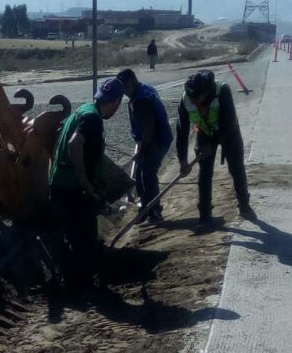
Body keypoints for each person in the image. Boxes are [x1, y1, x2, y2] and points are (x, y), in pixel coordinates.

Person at [49, 76, 125, 289]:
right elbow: (75, 144)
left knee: (72, 236)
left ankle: (68, 282)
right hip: (72, 188)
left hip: (60, 185)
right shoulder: (92, 119)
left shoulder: (84, 110)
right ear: (116, 102)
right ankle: (82, 287)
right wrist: (84, 180)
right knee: (85, 239)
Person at [175, 69, 257, 225]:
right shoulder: (186, 100)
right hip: (204, 131)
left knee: (236, 169)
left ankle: (244, 205)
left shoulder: (222, 91)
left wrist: (212, 144)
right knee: (205, 173)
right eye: (191, 98)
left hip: (228, 131)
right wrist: (182, 160)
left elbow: (230, 121)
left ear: (206, 92)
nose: (193, 102)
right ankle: (205, 215)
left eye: (197, 98)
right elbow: (181, 131)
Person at [117, 68, 173, 224]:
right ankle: (144, 208)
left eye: (125, 89)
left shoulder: (141, 99)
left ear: (133, 81)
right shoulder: (145, 88)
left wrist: (141, 149)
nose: (124, 93)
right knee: (142, 172)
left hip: (157, 139)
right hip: (156, 137)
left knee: (147, 174)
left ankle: (154, 211)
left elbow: (149, 128)